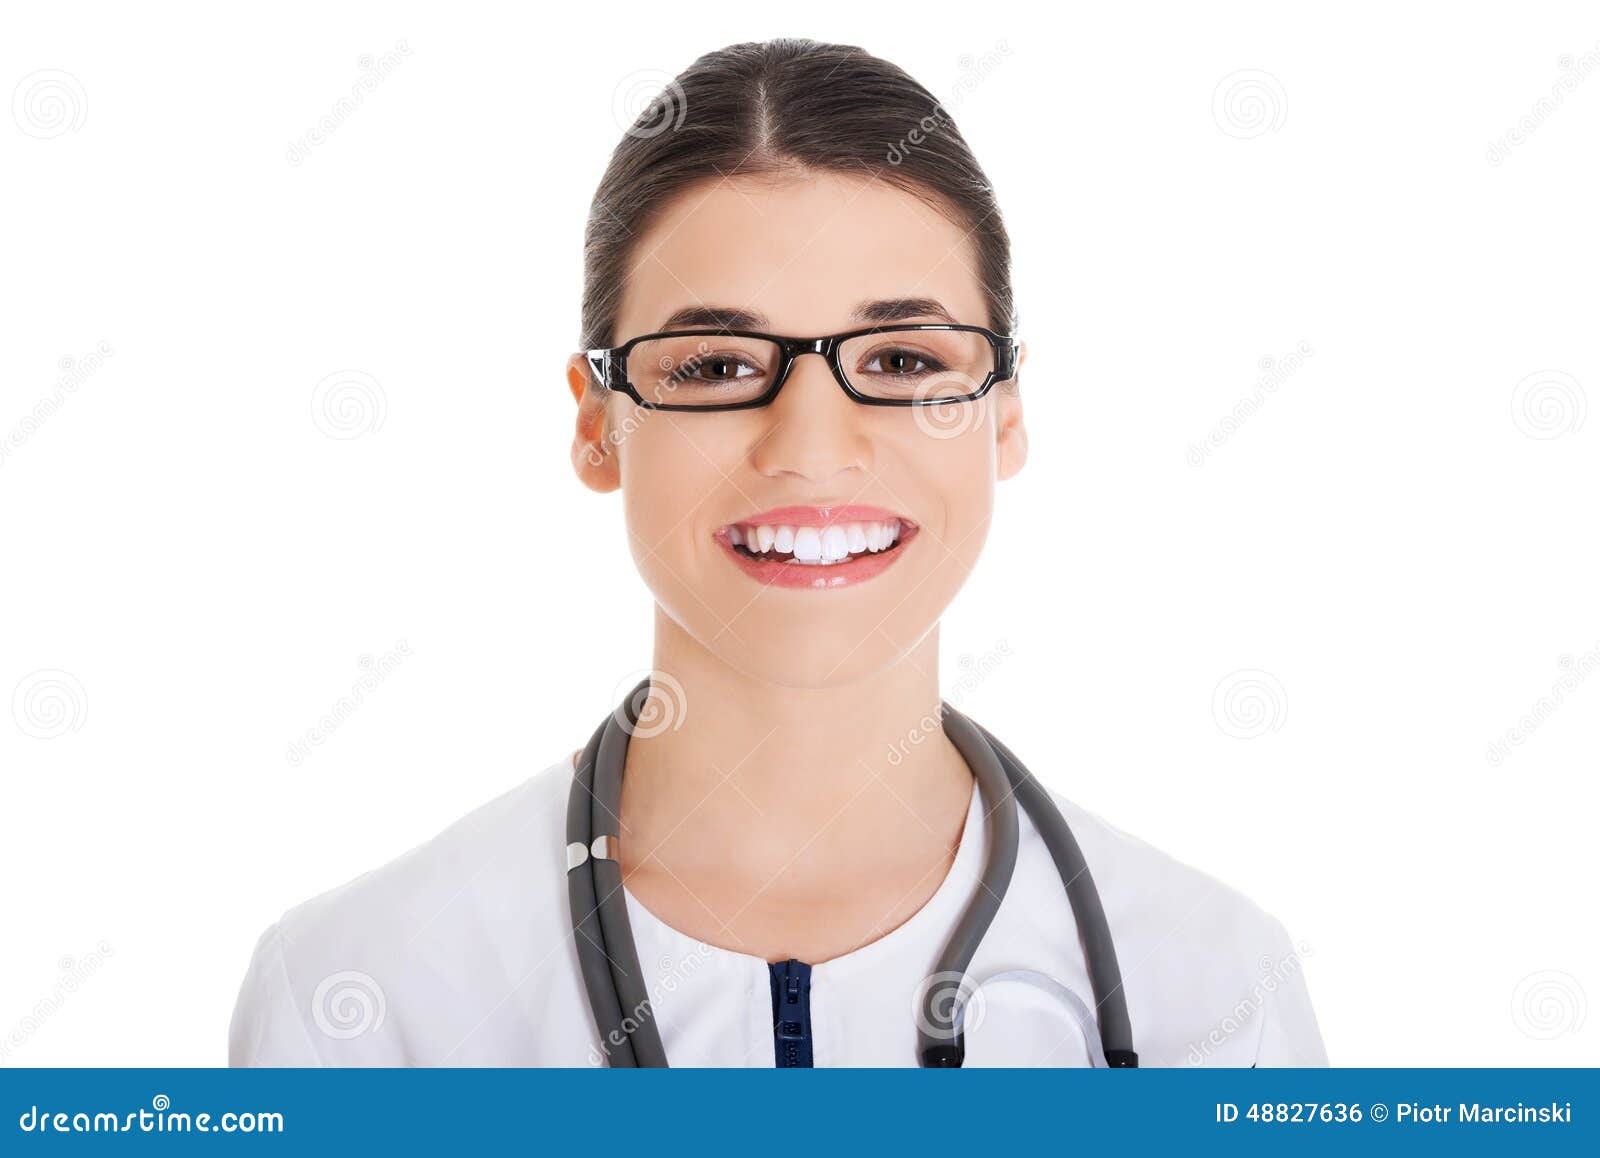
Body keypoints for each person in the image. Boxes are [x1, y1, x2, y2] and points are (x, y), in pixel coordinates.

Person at [229, 37, 1328, 1068]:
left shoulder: (1215, 993)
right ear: (595, 423)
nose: (809, 449)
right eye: (714, 365)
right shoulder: (362, 997)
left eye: (900, 359)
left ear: (1003, 414)